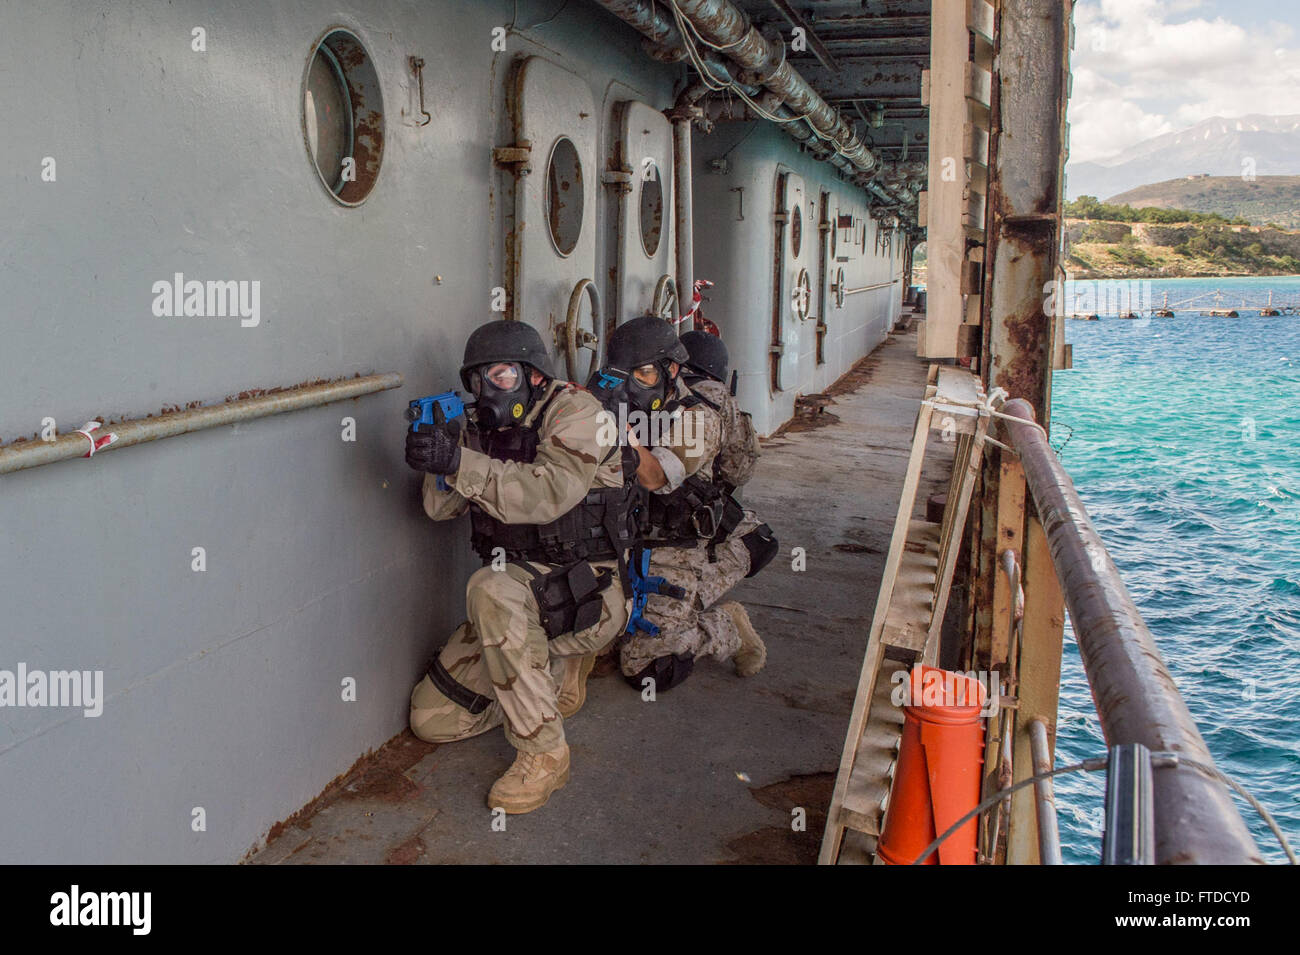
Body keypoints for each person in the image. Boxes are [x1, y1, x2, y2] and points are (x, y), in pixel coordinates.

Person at [404, 319, 638, 814]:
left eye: (504, 375)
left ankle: (545, 754)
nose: (489, 388)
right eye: (480, 378)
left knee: (489, 589)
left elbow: (550, 493)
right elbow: (438, 511)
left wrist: (461, 464)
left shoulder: (578, 412)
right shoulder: (479, 427)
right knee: (434, 720)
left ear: (534, 376)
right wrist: (441, 461)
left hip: (591, 590)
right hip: (525, 599)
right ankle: (554, 671)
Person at [587, 316, 777, 695]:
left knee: (650, 669)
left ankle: (725, 627)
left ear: (670, 369)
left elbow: (655, 476)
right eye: (626, 373)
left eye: (642, 374)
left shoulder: (696, 416)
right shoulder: (622, 398)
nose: (631, 384)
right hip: (618, 537)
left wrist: (620, 433)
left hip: (672, 544)